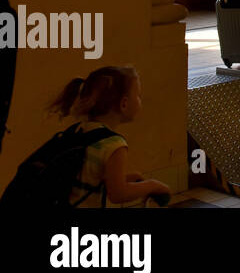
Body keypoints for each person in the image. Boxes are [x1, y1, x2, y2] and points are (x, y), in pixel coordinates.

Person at [49, 66, 170, 207]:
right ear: (124, 104)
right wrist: (152, 185)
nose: (140, 100)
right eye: (138, 95)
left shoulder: (81, 130)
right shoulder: (114, 144)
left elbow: (91, 177)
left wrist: (128, 178)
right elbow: (118, 194)